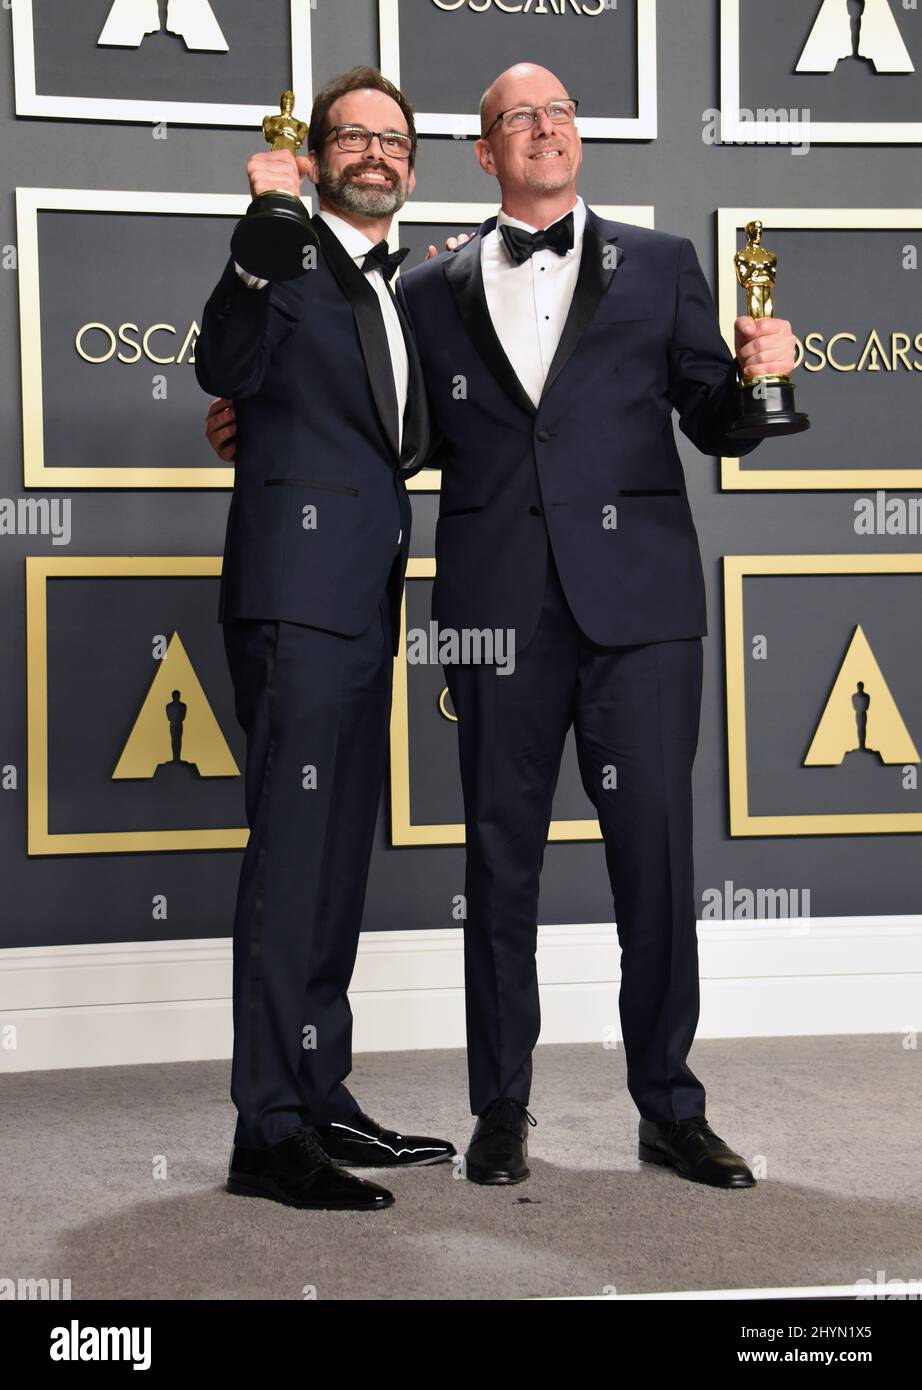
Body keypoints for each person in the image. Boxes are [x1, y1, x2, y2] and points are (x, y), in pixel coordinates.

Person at [206, 62, 798, 1194]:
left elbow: (715, 425)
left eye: (559, 113)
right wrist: (251, 413)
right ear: (482, 154)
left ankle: (669, 1107)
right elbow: (367, 411)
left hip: (639, 616)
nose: (543, 128)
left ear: (576, 138)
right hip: (493, 617)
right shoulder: (422, 289)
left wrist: (757, 381)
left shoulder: (663, 264)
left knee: (658, 869)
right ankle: (499, 1108)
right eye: (517, 116)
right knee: (498, 868)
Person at [195, 66, 454, 1213]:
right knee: (292, 855)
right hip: (294, 597)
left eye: (393, 140)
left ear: (412, 159)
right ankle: (267, 1129)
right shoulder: (284, 254)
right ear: (315, 156)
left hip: (363, 600)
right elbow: (223, 363)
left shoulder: (407, 290)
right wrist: (263, 225)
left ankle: (320, 1087)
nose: (376, 154)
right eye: (354, 137)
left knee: (340, 853)